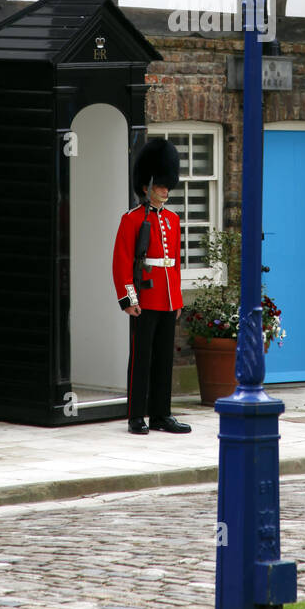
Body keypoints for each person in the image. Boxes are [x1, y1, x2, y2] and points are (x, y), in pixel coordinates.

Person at [112, 137, 192, 435]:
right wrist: (129, 298)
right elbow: (122, 263)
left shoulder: (172, 219)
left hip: (167, 298)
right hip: (145, 298)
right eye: (160, 184)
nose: (165, 189)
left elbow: (174, 264)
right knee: (141, 359)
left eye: (166, 184)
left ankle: (161, 415)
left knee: (163, 360)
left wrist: (178, 299)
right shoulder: (132, 219)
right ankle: (136, 416)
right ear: (146, 186)